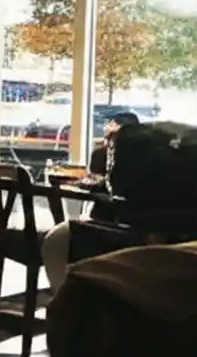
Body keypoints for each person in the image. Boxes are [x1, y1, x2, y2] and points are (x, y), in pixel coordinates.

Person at [41, 111, 139, 291]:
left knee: (59, 238)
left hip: (108, 222)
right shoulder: (126, 155)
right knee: (60, 237)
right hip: (115, 222)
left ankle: (65, 294)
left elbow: (101, 183)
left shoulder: (109, 154)